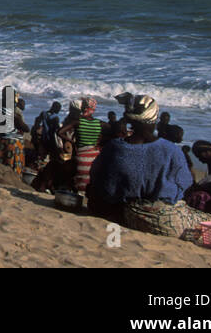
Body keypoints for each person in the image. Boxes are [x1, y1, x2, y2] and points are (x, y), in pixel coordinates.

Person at [87, 96, 203, 238]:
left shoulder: (114, 148)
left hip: (126, 213)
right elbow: (184, 183)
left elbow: (97, 178)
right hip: (166, 220)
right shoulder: (172, 150)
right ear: (154, 119)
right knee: (210, 220)